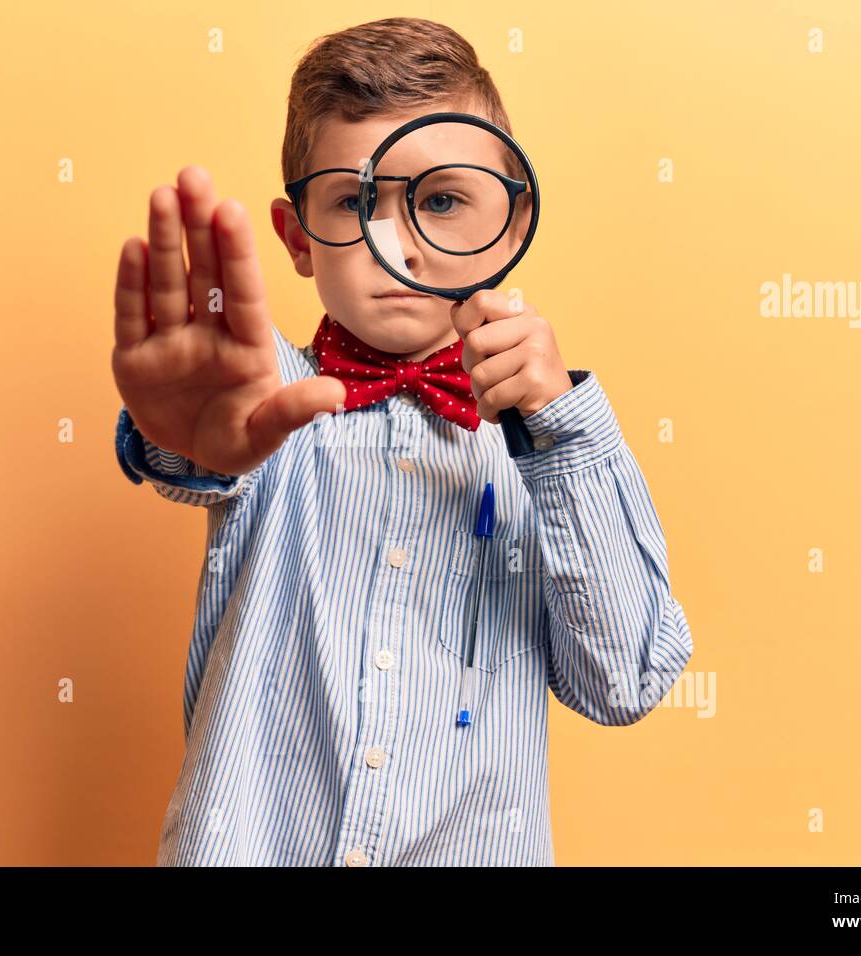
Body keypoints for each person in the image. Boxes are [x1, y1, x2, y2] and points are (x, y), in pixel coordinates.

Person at [110, 17, 693, 866]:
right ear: (297, 238)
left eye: (443, 199)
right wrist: (180, 437)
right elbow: (206, 436)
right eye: (353, 202)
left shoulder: (556, 451)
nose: (397, 244)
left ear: (513, 214)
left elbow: (625, 680)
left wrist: (561, 435)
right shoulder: (262, 393)